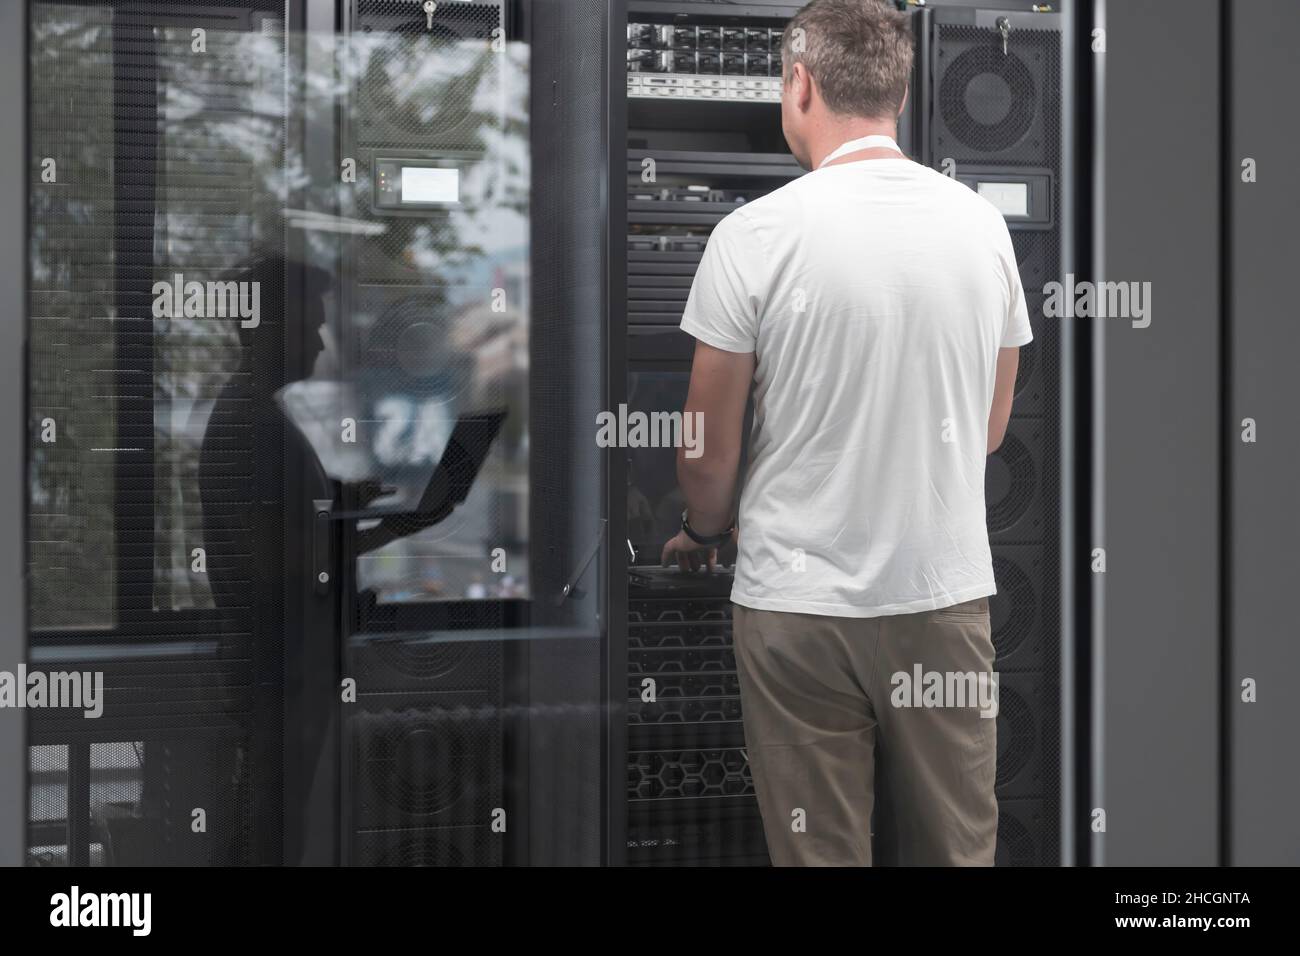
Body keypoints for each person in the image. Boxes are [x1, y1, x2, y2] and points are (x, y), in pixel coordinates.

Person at [660, 0, 1031, 866]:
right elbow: (988, 427)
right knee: (956, 852)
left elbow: (705, 457)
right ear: (897, 93)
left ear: (799, 83)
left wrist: (704, 531)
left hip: (797, 613)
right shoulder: (982, 227)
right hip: (941, 599)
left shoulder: (753, 234)